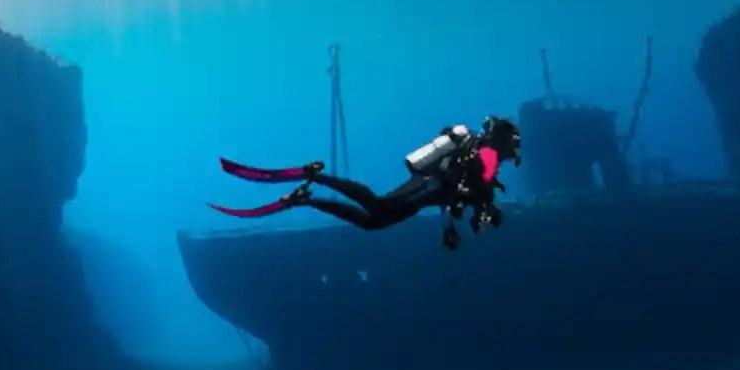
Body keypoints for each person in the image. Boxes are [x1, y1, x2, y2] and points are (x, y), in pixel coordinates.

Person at [210, 116, 521, 250]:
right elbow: (463, 186)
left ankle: (305, 198)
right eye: (512, 145)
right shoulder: (488, 154)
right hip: (428, 186)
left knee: (373, 222)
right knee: (377, 205)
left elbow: (456, 193)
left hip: (429, 190)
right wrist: (485, 208)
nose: (512, 152)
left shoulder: (483, 152)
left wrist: (449, 227)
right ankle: (315, 176)